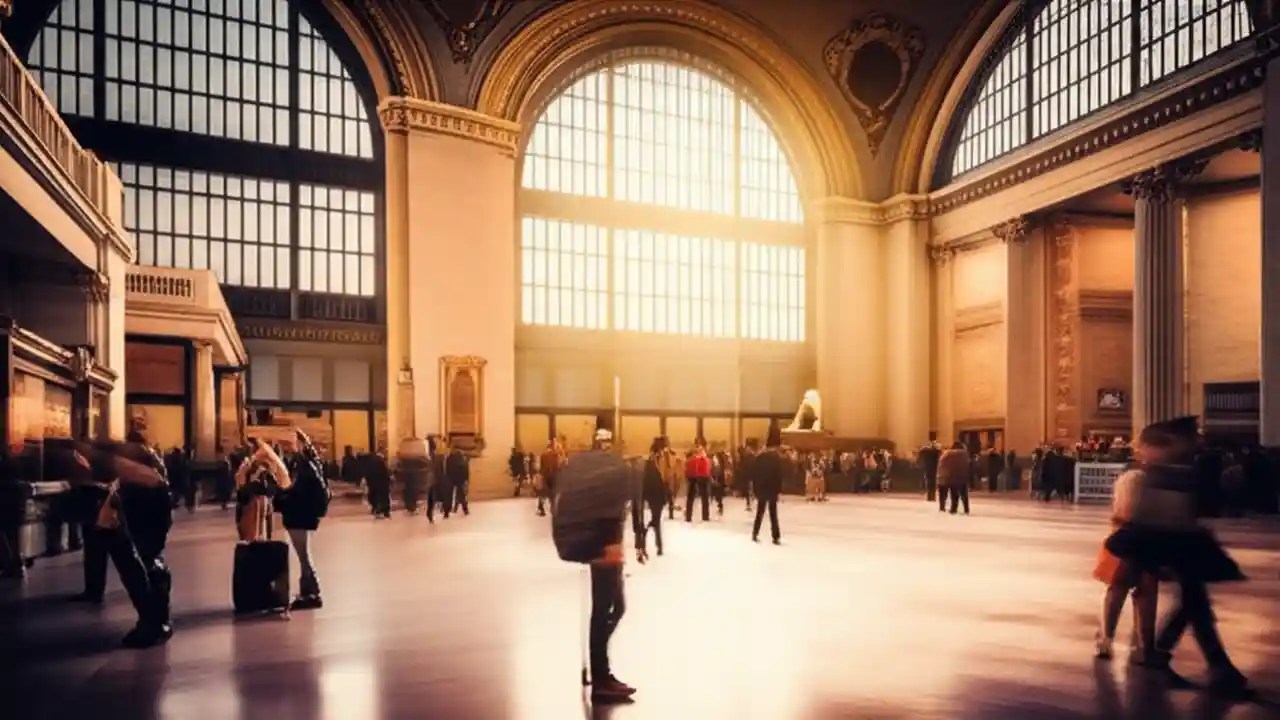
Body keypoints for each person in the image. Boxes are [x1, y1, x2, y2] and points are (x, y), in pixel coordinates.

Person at [1105, 417, 1250, 697]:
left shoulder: (1173, 469)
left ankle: (1169, 654)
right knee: (1196, 603)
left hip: (1175, 542)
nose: (1197, 440)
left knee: (1194, 603)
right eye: (1191, 435)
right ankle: (1209, 664)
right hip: (1177, 542)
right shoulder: (1170, 470)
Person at [82, 436, 174, 648]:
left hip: (138, 527)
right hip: (145, 525)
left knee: (141, 569)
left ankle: (152, 624)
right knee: (148, 565)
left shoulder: (133, 477)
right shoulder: (146, 472)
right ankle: (157, 622)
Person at [575, 429, 646, 703]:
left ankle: (601, 670)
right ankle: (601, 677)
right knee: (604, 610)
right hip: (603, 555)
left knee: (616, 608)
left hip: (612, 554)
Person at [1093, 463, 1158, 664]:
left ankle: (1106, 639)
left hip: (1123, 538)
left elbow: (1120, 512)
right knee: (1147, 594)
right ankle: (1145, 646)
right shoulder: (1153, 480)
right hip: (1151, 539)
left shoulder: (1126, 479)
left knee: (1116, 590)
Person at [276, 431, 329, 610]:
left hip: (300, 516)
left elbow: (297, 492)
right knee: (304, 555)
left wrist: (281, 498)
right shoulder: (311, 463)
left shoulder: (303, 465)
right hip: (305, 515)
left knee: (304, 556)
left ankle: (312, 593)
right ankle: (308, 592)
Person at [750, 431, 783, 545]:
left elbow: (754, 474)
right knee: (773, 513)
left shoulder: (759, 457)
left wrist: (755, 488)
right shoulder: (776, 458)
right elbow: (778, 475)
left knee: (760, 512)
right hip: (772, 489)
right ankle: (775, 536)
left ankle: (755, 533)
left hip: (762, 488)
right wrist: (778, 490)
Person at [640, 438, 669, 555]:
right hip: (655, 494)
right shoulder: (653, 462)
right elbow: (649, 480)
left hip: (657, 495)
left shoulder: (659, 460)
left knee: (655, 520)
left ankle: (649, 541)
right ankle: (657, 545)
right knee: (655, 520)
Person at [937, 442, 970, 515]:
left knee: (943, 494)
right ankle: (963, 509)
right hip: (961, 476)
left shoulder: (947, 454)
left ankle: (942, 507)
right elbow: (968, 465)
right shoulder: (965, 455)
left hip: (946, 476)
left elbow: (941, 464)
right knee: (960, 494)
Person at [684, 444, 711, 523]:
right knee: (704, 498)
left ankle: (689, 517)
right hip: (702, 478)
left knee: (691, 498)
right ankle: (705, 516)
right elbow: (707, 469)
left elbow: (687, 469)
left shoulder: (691, 460)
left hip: (693, 478)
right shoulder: (704, 459)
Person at [365, 447, 392, 519]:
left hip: (373, 483)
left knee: (375, 497)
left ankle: (377, 510)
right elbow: (385, 472)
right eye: (386, 452)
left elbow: (368, 472)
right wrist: (389, 478)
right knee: (383, 498)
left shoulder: (372, 460)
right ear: (382, 451)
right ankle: (384, 512)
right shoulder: (381, 460)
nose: (387, 453)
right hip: (382, 483)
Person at [539, 439, 563, 517]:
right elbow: (558, 465)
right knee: (553, 493)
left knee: (545, 492)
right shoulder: (555, 454)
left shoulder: (543, 454)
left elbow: (541, 466)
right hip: (554, 475)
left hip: (546, 475)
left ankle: (541, 506)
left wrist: (541, 475)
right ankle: (553, 510)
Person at [446, 443, 471, 516]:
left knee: (450, 495)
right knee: (461, 495)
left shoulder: (449, 457)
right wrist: (466, 479)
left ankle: (449, 511)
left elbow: (447, 469)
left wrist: (447, 477)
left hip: (451, 478)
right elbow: (466, 470)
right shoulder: (463, 458)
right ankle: (465, 510)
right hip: (461, 479)